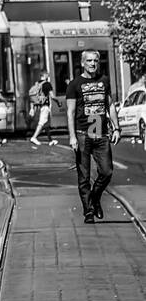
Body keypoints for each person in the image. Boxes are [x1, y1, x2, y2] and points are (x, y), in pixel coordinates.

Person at [66, 50, 120, 224]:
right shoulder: (74, 84)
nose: (92, 64)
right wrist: (72, 137)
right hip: (82, 134)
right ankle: (88, 211)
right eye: (89, 61)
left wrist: (116, 128)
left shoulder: (104, 81)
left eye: (95, 60)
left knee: (107, 171)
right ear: (82, 63)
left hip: (100, 133)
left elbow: (110, 106)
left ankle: (95, 198)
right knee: (84, 176)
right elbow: (70, 112)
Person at [29, 72, 54, 147]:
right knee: (42, 122)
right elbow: (52, 96)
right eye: (47, 74)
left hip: (38, 106)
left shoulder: (37, 84)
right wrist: (58, 101)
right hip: (45, 106)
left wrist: (32, 108)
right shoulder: (47, 84)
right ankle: (34, 137)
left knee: (46, 124)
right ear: (44, 76)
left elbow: (33, 97)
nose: (48, 76)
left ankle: (50, 140)